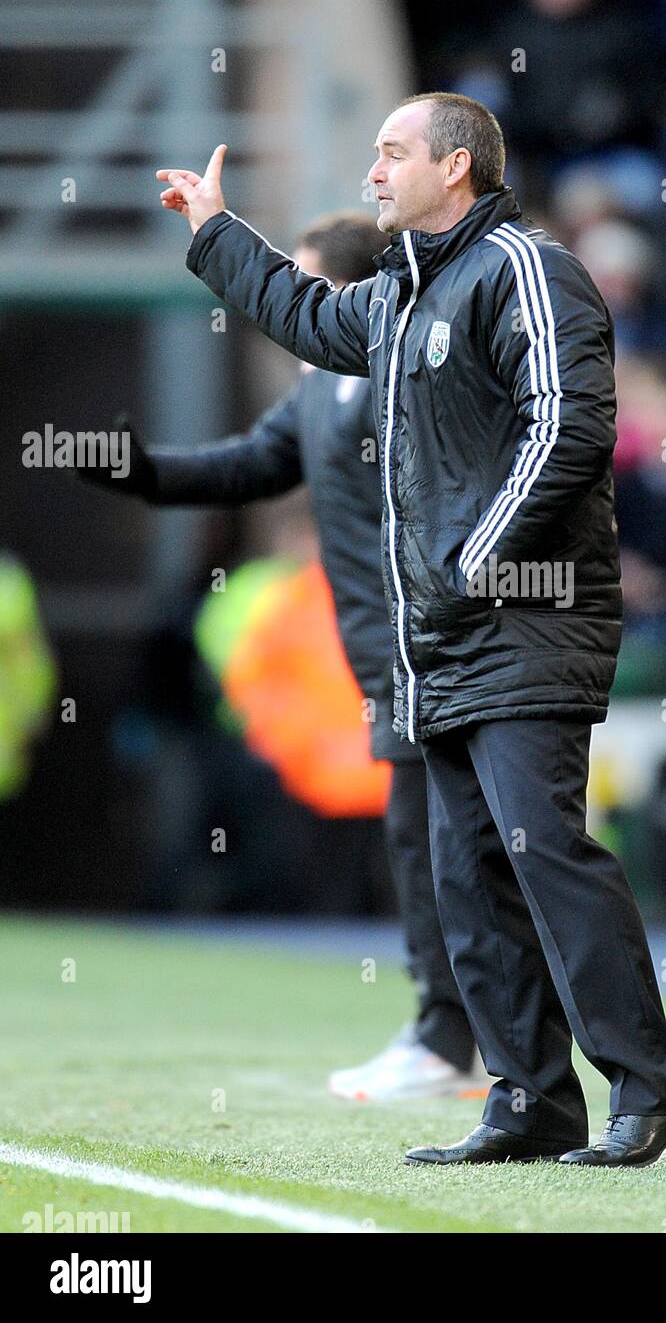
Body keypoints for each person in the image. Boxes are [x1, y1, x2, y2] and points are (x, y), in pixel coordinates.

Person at [155, 92, 666, 1166]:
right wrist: (217, 232)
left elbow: (569, 424)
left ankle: (652, 1088)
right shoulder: (397, 295)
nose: (372, 171)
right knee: (466, 871)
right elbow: (303, 314)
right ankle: (528, 1099)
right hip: (441, 639)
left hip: (529, 622)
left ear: (456, 167)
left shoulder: (526, 268)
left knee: (542, 849)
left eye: (391, 151)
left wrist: (474, 561)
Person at [77, 210, 486, 1104]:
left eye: (301, 284)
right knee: (427, 846)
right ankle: (454, 1034)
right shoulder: (318, 395)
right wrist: (138, 469)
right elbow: (244, 467)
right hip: (385, 660)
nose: (286, 307)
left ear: (340, 292)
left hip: (439, 647)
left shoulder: (397, 372)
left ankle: (455, 1038)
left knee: (448, 849)